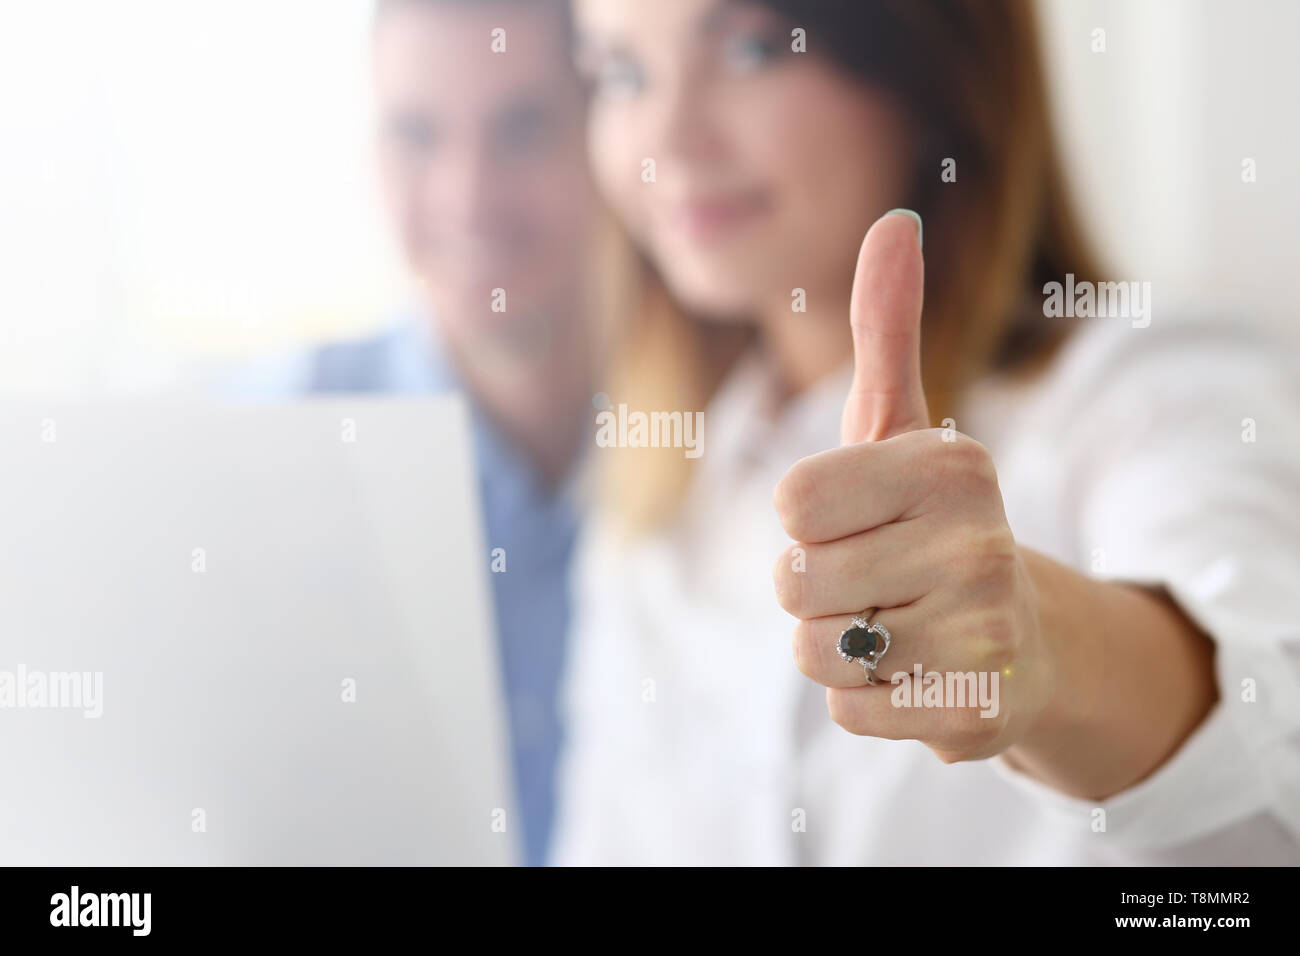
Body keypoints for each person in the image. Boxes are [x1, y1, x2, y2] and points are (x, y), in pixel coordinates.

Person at [551, 0, 1300, 864]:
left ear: (930, 69)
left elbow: (1273, 758)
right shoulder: (654, 474)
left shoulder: (1151, 389)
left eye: (752, 49)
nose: (667, 142)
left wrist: (1045, 651)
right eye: (621, 72)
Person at [229, 0, 595, 866]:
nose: (466, 197)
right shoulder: (257, 456)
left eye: (522, 128)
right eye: (417, 134)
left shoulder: (730, 450)